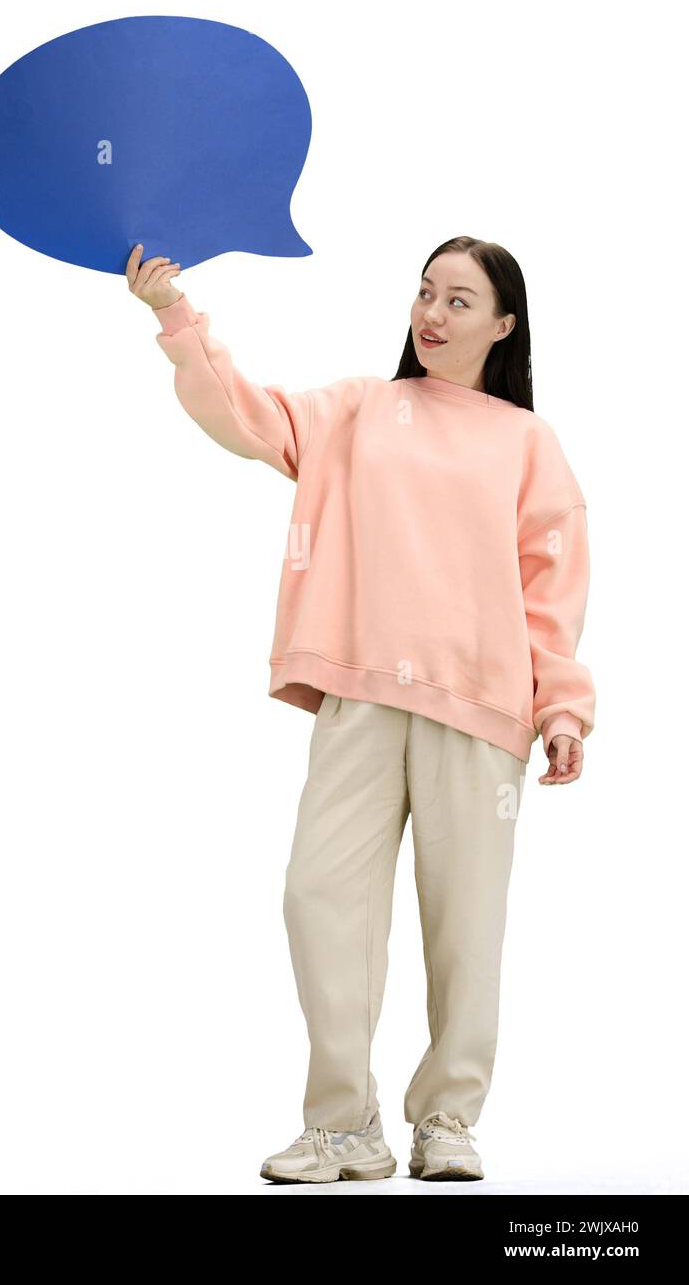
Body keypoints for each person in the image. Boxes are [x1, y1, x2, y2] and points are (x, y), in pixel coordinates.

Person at [126, 236, 595, 1184]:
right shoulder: (359, 411)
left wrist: (563, 709)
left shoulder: (525, 441)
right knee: (317, 896)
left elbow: (551, 587)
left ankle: (449, 1118)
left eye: (460, 301)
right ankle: (345, 1127)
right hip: (360, 691)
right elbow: (248, 418)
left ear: (504, 324)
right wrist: (174, 314)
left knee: (466, 920)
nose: (433, 313)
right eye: (426, 291)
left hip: (482, 702)